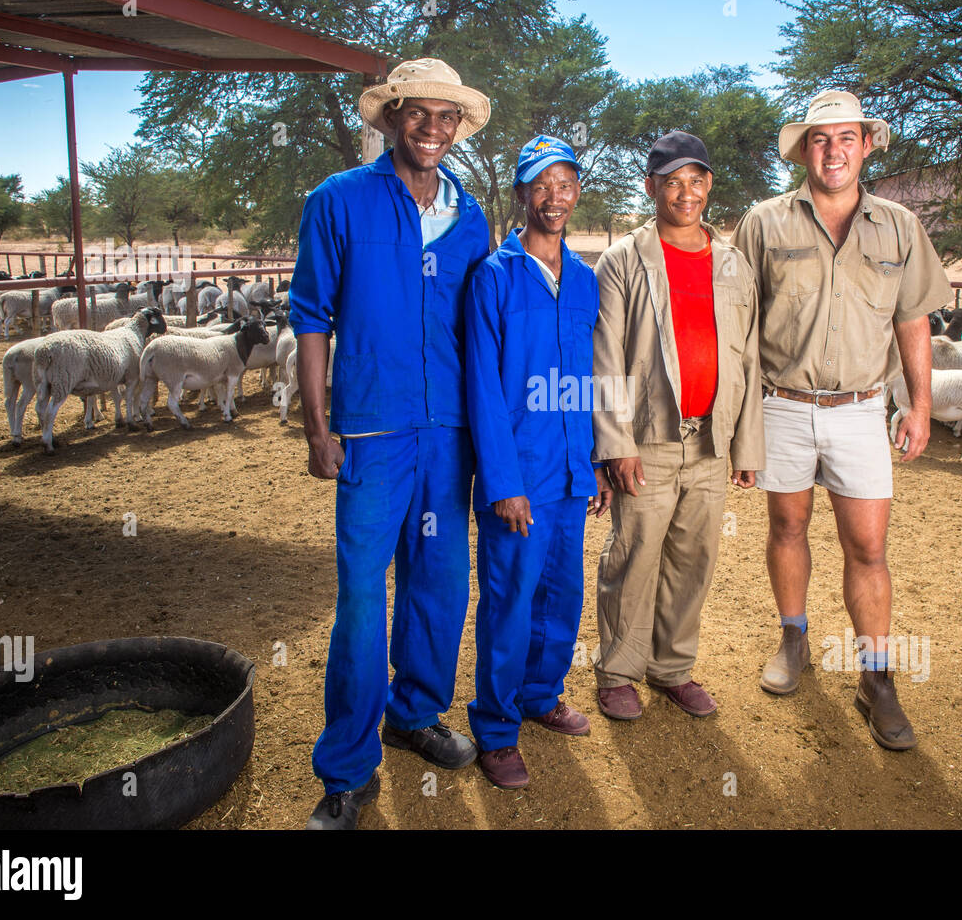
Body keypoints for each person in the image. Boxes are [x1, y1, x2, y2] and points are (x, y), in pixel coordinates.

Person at [289, 58, 492, 828]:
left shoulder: (471, 216)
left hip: (450, 434)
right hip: (371, 432)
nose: (432, 129)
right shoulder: (336, 202)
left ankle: (415, 713)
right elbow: (312, 319)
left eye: (447, 117)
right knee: (359, 598)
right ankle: (346, 765)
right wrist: (318, 426)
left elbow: (480, 328)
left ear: (458, 127)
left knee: (439, 582)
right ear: (388, 118)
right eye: (418, 114)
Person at [732, 90, 952, 750]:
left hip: (860, 409)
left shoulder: (899, 227)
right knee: (787, 525)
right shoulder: (763, 223)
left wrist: (919, 403)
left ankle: (876, 678)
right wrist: (742, 423)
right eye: (820, 139)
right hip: (782, 403)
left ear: (866, 144)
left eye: (846, 138)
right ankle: (793, 638)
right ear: (805, 148)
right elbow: (738, 326)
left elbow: (913, 319)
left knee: (868, 547)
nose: (833, 151)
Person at [590, 131, 765, 721]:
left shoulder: (734, 262)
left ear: (709, 185)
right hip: (648, 440)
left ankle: (672, 668)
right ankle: (617, 670)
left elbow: (749, 357)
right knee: (635, 554)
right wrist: (615, 445)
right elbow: (606, 358)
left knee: (695, 557)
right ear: (652, 188)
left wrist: (747, 444)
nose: (685, 193)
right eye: (672, 182)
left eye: (695, 180)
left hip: (712, 438)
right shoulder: (622, 262)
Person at [463, 135, 611, 789]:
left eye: (566, 183)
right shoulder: (493, 277)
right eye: (541, 184)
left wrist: (595, 462)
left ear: (577, 191)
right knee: (508, 600)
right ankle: (495, 728)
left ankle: (540, 694)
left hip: (571, 474)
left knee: (562, 593)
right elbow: (484, 391)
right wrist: (503, 481)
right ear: (522, 193)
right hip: (518, 479)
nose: (555, 196)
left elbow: (587, 378)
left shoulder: (584, 281)